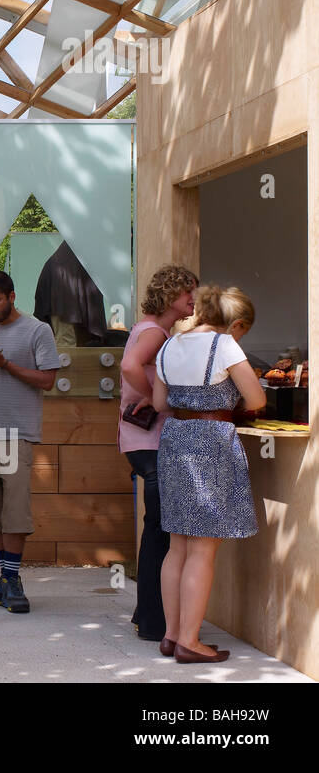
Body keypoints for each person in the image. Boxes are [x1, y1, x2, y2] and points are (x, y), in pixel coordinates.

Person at [153, 285, 264, 663]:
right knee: (203, 547)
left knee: (178, 544)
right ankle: (189, 641)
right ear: (233, 322)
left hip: (175, 440)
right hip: (210, 441)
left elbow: (158, 403)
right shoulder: (224, 345)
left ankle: (170, 636)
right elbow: (257, 398)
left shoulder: (169, 345)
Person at [0, 271, 60, 613]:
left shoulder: (38, 330)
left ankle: (12, 577)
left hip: (17, 432)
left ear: (11, 296)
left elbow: (48, 380)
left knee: (15, 509)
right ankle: (5, 578)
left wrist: (7, 364)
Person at [118, 264, 198, 642]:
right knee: (160, 533)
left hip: (140, 442)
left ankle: (148, 616)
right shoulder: (153, 331)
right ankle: (152, 620)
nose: (193, 301)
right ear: (171, 295)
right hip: (149, 441)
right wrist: (155, 400)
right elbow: (130, 366)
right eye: (188, 294)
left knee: (157, 530)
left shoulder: (150, 329)